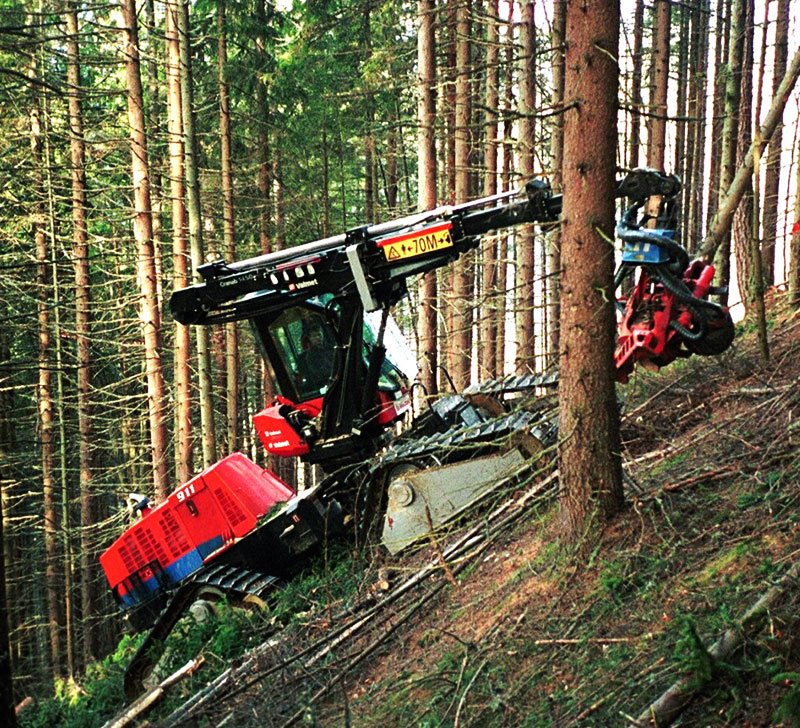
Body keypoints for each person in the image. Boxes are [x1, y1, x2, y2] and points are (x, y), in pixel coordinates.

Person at [296, 323, 335, 395]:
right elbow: (317, 373)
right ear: (310, 338)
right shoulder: (309, 356)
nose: (318, 337)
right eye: (314, 336)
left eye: (319, 334)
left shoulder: (331, 348)